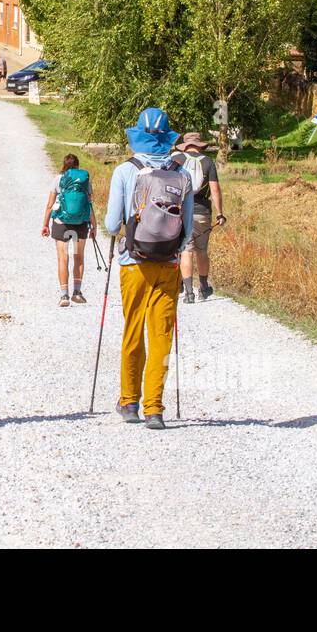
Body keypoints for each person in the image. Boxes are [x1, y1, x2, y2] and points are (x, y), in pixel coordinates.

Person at [103, 107, 193, 430]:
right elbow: (187, 230)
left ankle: (129, 402)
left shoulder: (125, 172)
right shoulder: (182, 176)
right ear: (168, 138)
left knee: (133, 332)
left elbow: (113, 223)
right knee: (161, 337)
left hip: (133, 265)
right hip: (168, 265)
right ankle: (154, 408)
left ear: (139, 134)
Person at [173, 132, 225, 304]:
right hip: (202, 211)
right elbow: (215, 189)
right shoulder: (207, 162)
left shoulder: (176, 160)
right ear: (199, 145)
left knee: (186, 250)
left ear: (185, 145)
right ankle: (203, 287)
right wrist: (219, 213)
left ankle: (188, 292)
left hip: (181, 210)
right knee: (201, 250)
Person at [41, 154, 96, 306]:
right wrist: (94, 226)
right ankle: (77, 292)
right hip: (81, 223)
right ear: (77, 166)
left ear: (64, 165)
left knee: (62, 257)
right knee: (78, 256)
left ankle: (64, 295)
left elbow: (49, 206)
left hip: (61, 222)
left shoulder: (58, 179)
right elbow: (90, 204)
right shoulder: (84, 180)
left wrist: (45, 225)